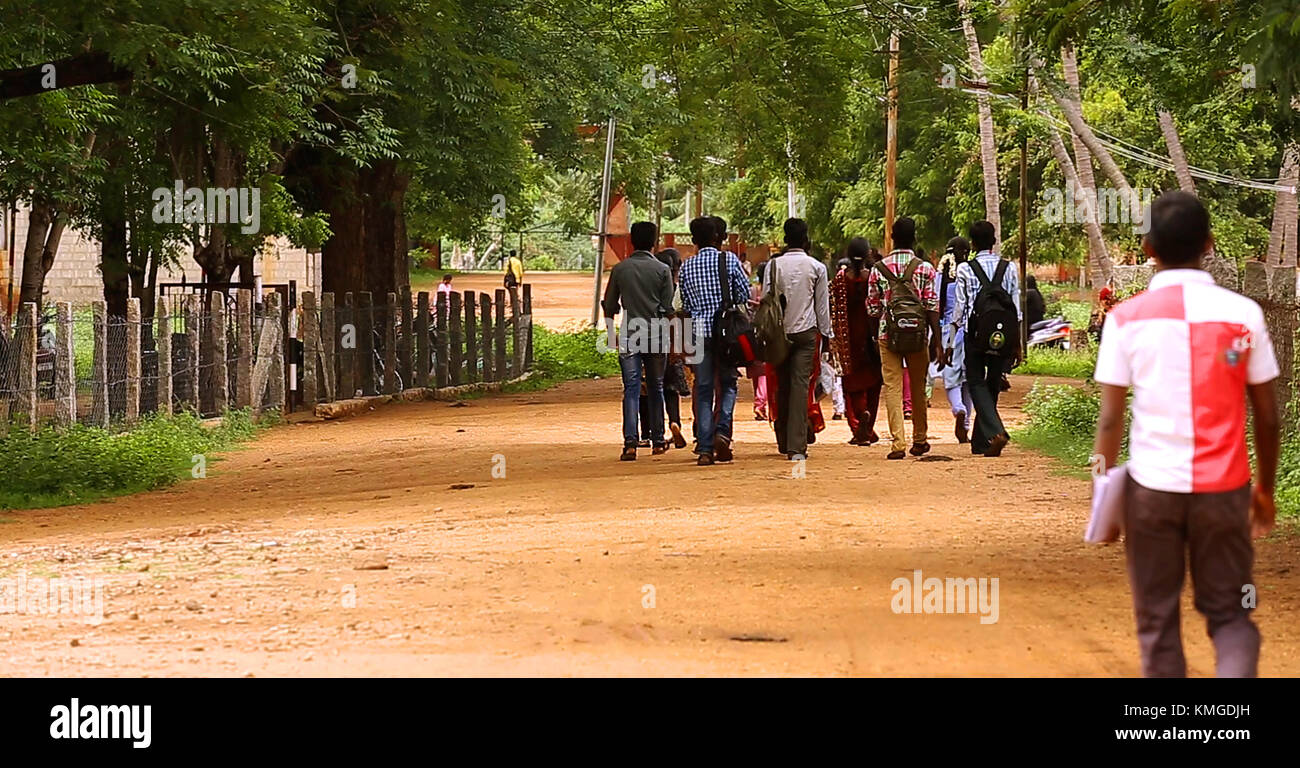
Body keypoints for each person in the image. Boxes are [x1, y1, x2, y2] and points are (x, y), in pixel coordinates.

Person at [1092, 190, 1280, 678]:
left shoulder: (1124, 319)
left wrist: (1103, 495)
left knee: (1157, 620)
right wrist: (1264, 489)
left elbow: (1110, 420)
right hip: (1225, 493)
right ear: (1210, 244)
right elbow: (1268, 416)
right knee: (1234, 614)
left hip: (1152, 495)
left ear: (1149, 247)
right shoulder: (1244, 316)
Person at [867, 217, 941, 460]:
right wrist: (936, 340)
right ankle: (919, 439)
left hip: (888, 334)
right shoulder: (925, 268)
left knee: (892, 386)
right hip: (918, 335)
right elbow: (931, 306)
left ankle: (897, 442)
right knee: (919, 386)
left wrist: (874, 335)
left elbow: (873, 308)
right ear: (914, 238)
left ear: (892, 238)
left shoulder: (879, 269)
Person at [678, 216, 750, 465]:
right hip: (725, 334)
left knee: (704, 388)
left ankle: (705, 448)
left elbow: (685, 304)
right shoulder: (728, 259)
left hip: (699, 333)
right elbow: (744, 293)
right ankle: (723, 431)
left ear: (694, 240)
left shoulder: (687, 267)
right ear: (717, 237)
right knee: (729, 385)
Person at [945, 220, 1020, 457]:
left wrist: (949, 342)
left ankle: (997, 431)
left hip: (975, 334)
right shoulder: (1009, 268)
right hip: (1002, 333)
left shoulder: (966, 269)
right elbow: (1016, 308)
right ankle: (982, 442)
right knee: (993, 382)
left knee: (976, 381)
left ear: (973, 244)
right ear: (994, 241)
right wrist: (1017, 343)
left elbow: (959, 309)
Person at [602, 221, 673, 461]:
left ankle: (630, 443)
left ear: (632, 241)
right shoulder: (663, 270)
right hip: (655, 335)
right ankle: (658, 440)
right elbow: (667, 308)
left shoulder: (620, 270)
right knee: (656, 387)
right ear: (654, 242)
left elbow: (610, 305)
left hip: (629, 335)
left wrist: (611, 333)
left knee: (631, 389)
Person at [762, 218, 832, 461]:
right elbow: (822, 308)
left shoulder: (773, 266)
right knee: (801, 387)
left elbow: (765, 301)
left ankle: (782, 438)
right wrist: (827, 337)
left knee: (781, 384)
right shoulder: (817, 267)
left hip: (778, 334)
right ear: (806, 239)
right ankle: (796, 445)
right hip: (806, 332)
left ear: (785, 238)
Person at [830, 237, 883, 445]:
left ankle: (858, 421)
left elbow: (832, 308)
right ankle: (867, 426)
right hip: (871, 338)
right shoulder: (873, 278)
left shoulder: (840, 280)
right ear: (868, 254)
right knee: (873, 384)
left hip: (848, 340)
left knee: (851, 385)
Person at [937, 237, 975, 443]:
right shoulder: (970, 273)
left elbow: (936, 307)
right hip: (971, 331)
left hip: (949, 331)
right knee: (968, 380)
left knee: (951, 379)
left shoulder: (941, 276)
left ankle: (958, 409)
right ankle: (966, 425)